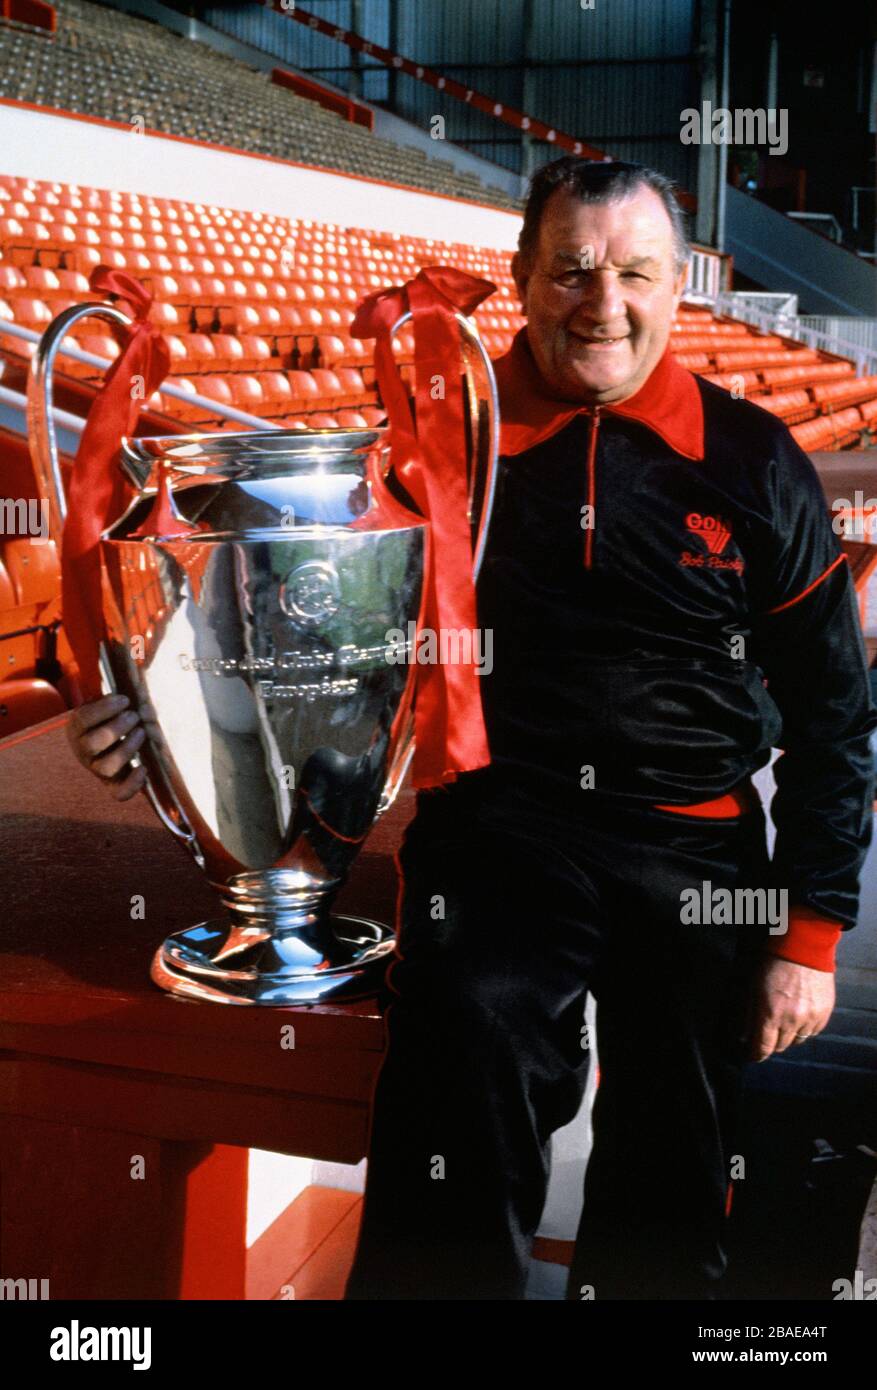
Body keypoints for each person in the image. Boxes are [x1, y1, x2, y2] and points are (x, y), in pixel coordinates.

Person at [67, 158, 877, 1301]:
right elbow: (290, 647)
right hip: (502, 834)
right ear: (522, 280)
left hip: (696, 848)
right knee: (458, 1102)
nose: (604, 302)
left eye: (636, 272)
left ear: (676, 282)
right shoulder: (435, 455)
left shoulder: (754, 464)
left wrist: (808, 941)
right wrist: (147, 717)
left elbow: (838, 717)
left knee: (674, 1174)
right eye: (572, 271)